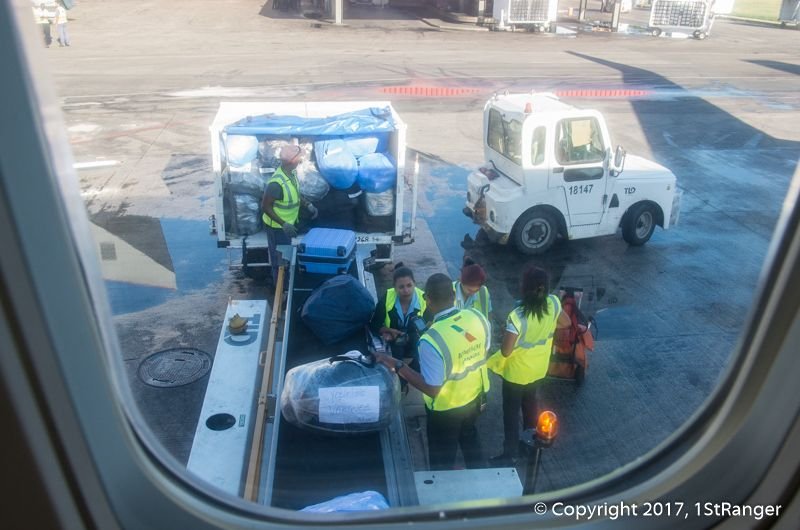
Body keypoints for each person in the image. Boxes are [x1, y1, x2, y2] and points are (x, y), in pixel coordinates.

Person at [375, 273, 491, 471]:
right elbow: (482, 352)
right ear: (453, 294)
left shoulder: (431, 340)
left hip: (446, 412)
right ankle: (482, 483)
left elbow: (432, 389)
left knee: (442, 462)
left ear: (427, 299)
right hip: (475, 399)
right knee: (471, 443)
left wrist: (397, 365)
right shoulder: (478, 317)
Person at [487, 265, 571, 466]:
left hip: (516, 373)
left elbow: (506, 351)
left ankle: (510, 453)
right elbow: (566, 322)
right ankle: (530, 446)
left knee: (511, 413)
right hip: (538, 369)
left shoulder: (517, 316)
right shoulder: (552, 303)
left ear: (524, 288)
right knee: (531, 406)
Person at [261, 144, 317, 284]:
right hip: (277, 228)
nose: (301, 160)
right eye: (299, 158)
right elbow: (265, 207)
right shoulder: (276, 183)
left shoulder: (291, 175)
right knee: (279, 260)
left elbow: (294, 193)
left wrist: (307, 204)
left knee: (287, 256)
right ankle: (281, 289)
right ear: (292, 161)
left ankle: (288, 280)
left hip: (288, 223)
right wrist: (283, 224)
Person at [370, 267, 426, 369]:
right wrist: (388, 330)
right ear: (394, 288)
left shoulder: (424, 299)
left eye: (409, 285)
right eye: (401, 287)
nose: (406, 290)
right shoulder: (387, 297)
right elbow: (374, 324)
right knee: (396, 353)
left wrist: (410, 337)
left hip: (415, 340)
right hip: (392, 340)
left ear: (415, 283)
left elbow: (429, 328)